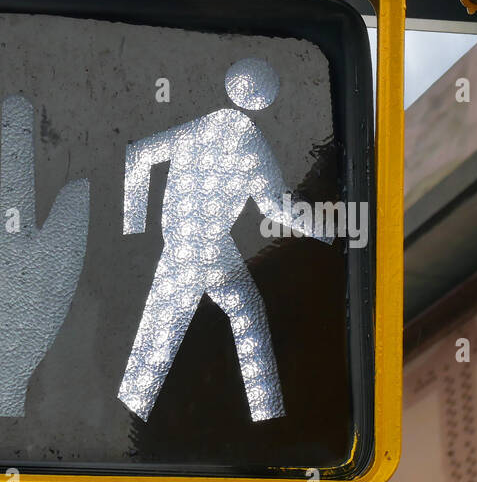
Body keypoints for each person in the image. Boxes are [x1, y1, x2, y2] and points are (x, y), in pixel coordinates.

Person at [118, 57, 329, 422]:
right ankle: (266, 416)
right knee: (224, 319)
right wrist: (328, 232)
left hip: (191, 243)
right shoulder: (247, 141)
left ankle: (264, 415)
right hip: (202, 246)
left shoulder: (200, 129)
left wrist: (135, 227)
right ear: (266, 96)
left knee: (172, 326)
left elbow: (139, 155)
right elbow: (276, 206)